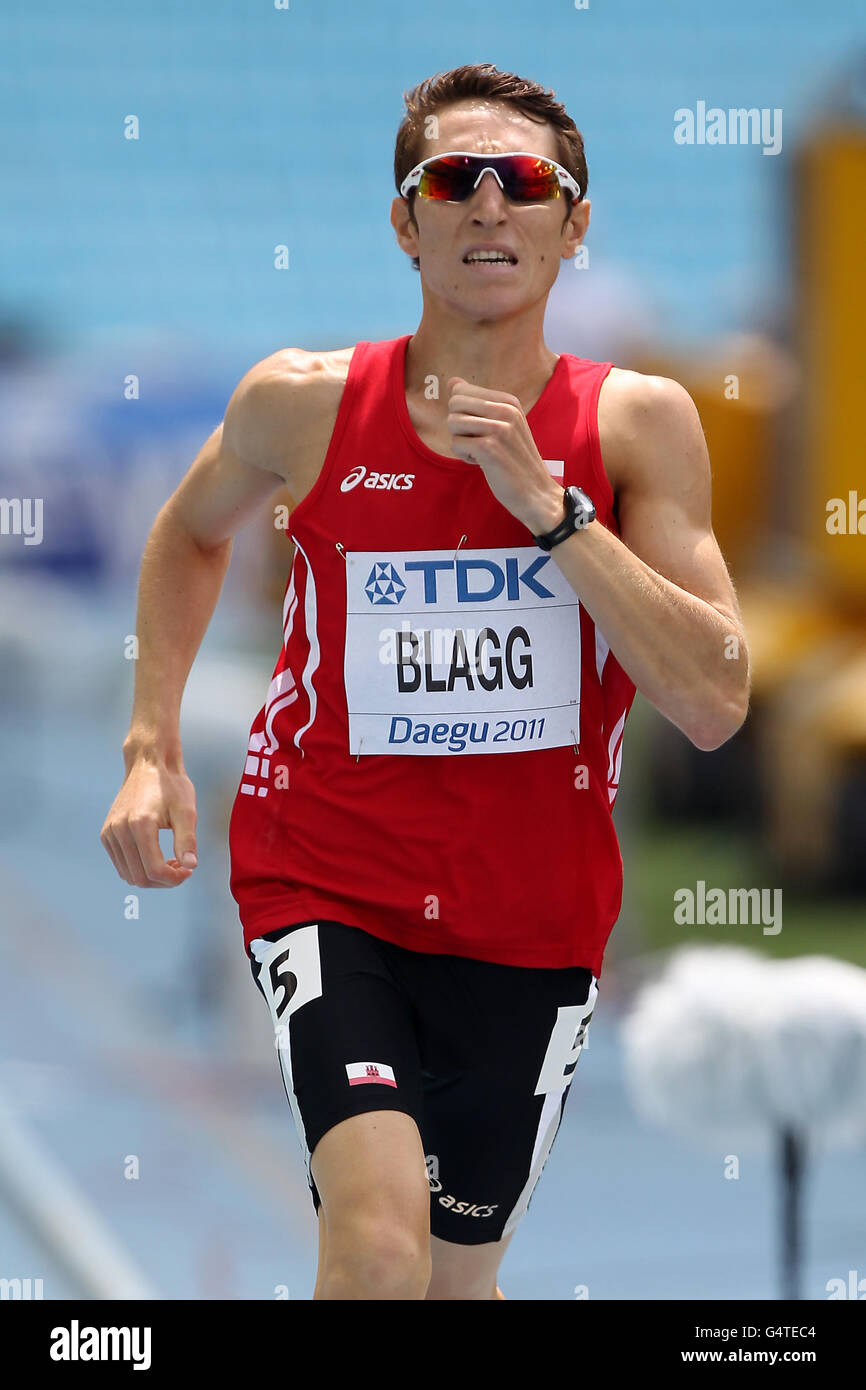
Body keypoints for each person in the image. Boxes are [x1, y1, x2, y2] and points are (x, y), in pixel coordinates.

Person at [100, 63, 750, 1301]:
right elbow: (189, 533)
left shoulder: (634, 428)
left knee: (453, 1282)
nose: (488, 206)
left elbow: (713, 701)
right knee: (378, 1244)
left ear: (575, 223)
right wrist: (150, 746)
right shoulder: (301, 404)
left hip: (530, 913)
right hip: (324, 871)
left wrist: (555, 520)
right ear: (406, 223)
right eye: (453, 180)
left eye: (524, 183)